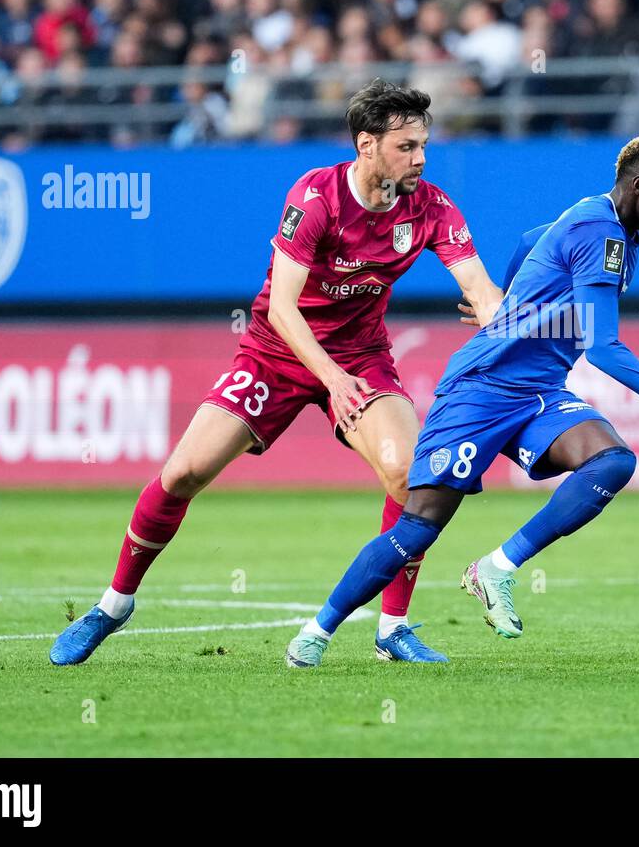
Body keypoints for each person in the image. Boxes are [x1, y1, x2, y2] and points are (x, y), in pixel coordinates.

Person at [50, 79, 502, 665]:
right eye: (406, 146)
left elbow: (479, 287)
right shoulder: (315, 197)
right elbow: (285, 309)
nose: (419, 158)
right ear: (366, 145)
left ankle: (393, 629)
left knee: (407, 476)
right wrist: (332, 381)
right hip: (276, 352)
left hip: (362, 357)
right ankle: (113, 605)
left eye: (423, 146)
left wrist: (505, 319)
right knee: (184, 471)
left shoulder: (431, 207)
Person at [284, 131, 639, 665]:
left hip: (537, 395)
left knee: (611, 461)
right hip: (481, 388)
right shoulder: (602, 232)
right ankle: (316, 633)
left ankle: (495, 568)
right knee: (419, 525)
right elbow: (602, 350)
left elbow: (533, 238)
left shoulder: (605, 222)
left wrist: (508, 303)